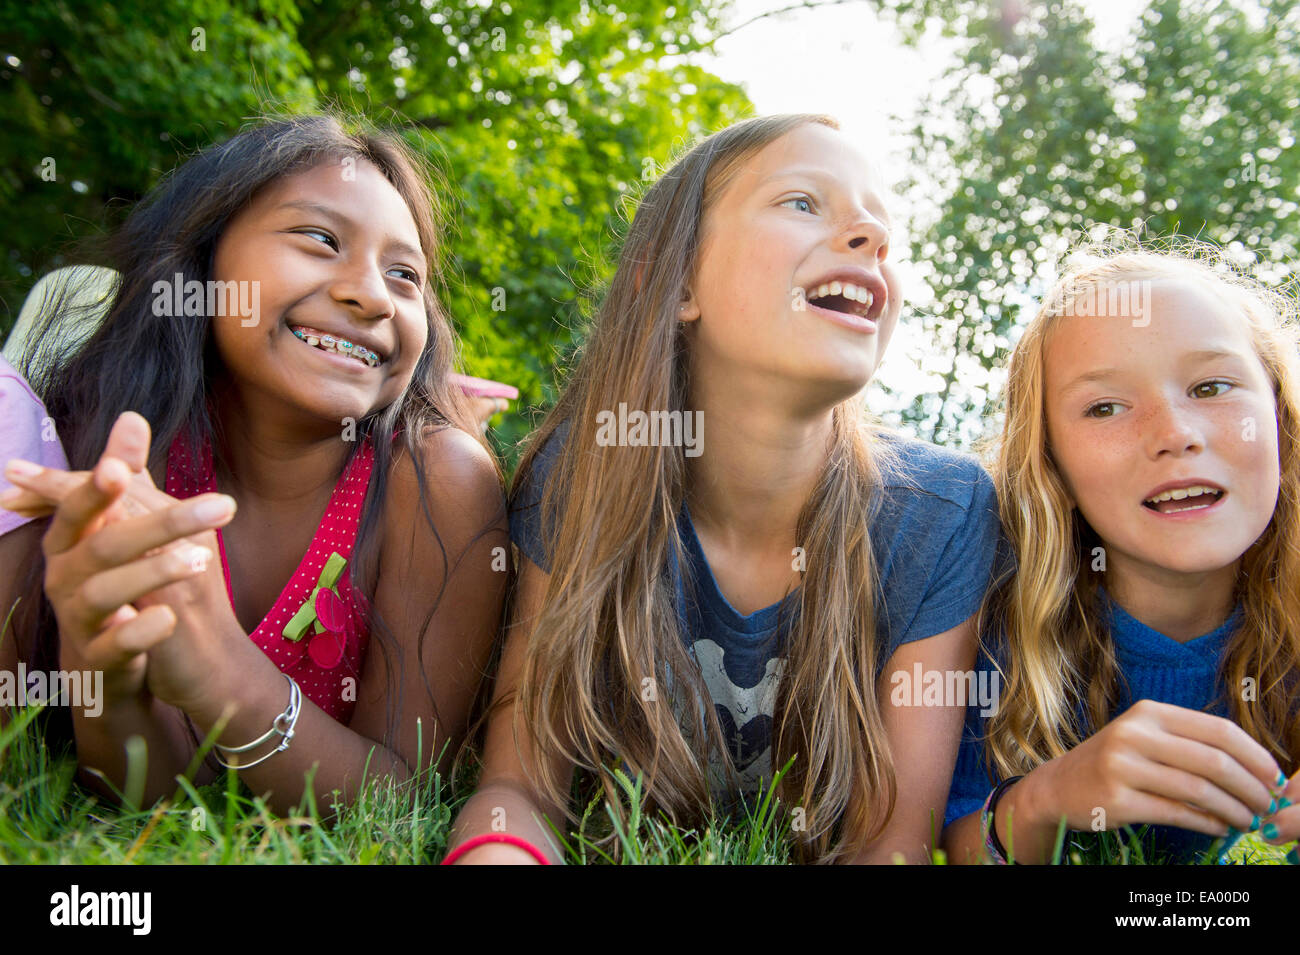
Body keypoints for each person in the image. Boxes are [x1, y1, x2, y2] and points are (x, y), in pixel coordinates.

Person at [445, 114, 1002, 865]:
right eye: (804, 202)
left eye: (881, 226)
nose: (870, 234)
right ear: (675, 283)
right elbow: (520, 786)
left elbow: (892, 843)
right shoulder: (586, 477)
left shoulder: (942, 510)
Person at [0, 114, 508, 814]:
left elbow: (406, 798)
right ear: (202, 263)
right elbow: (149, 797)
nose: (370, 294)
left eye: (406, 274)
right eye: (320, 240)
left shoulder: (439, 483)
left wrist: (221, 674)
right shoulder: (119, 446)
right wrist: (104, 672)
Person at [942, 241, 1300, 864]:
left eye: (1212, 386)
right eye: (1105, 407)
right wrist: (1045, 800)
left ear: (1278, 414)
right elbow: (935, 845)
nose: (1174, 434)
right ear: (1052, 465)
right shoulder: (989, 629)